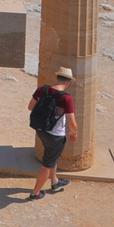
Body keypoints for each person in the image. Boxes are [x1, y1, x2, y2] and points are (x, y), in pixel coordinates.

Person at [28, 66, 77, 199]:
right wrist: (74, 133)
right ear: (68, 82)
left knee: (51, 157)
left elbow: (30, 107)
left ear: (57, 78)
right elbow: (73, 123)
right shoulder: (66, 98)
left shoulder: (42, 89)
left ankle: (55, 181)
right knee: (47, 164)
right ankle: (35, 192)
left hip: (41, 131)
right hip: (56, 136)